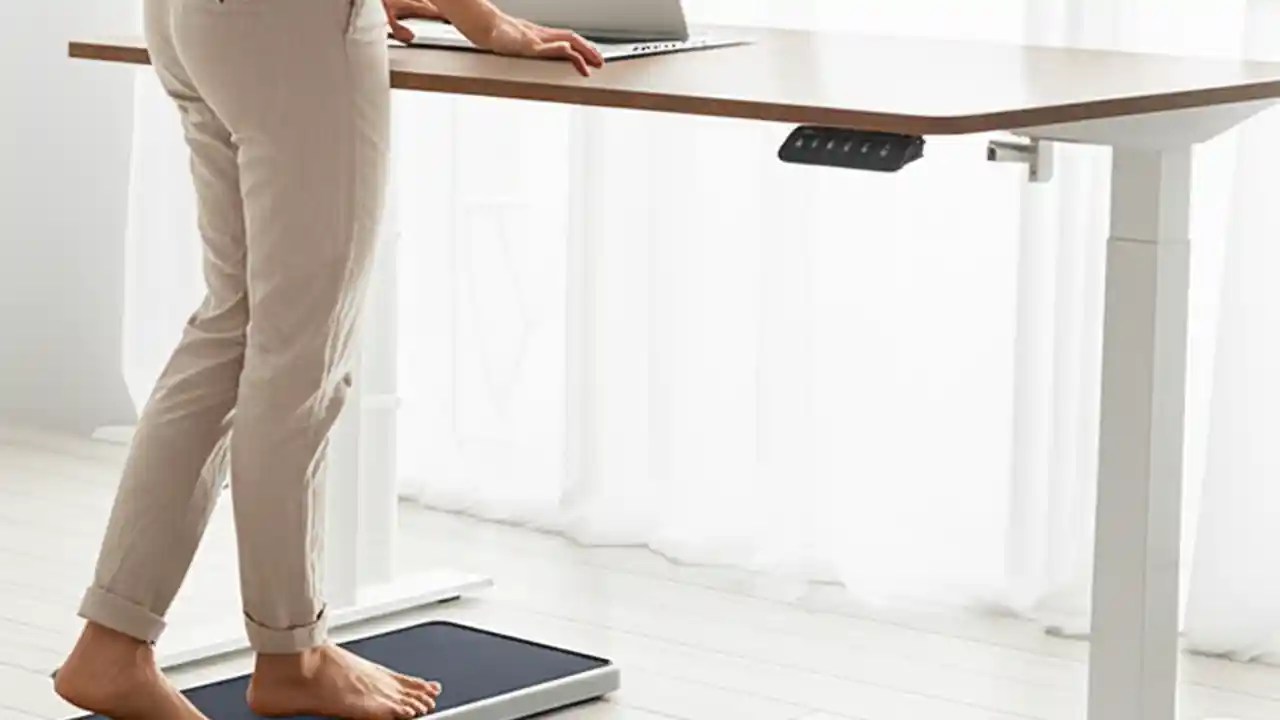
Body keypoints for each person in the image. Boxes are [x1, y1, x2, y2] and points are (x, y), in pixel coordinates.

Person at [53, 0, 603, 718]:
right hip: (292, 28)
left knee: (234, 327)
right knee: (297, 360)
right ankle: (293, 654)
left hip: (191, 20)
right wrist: (483, 21)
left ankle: (113, 643)